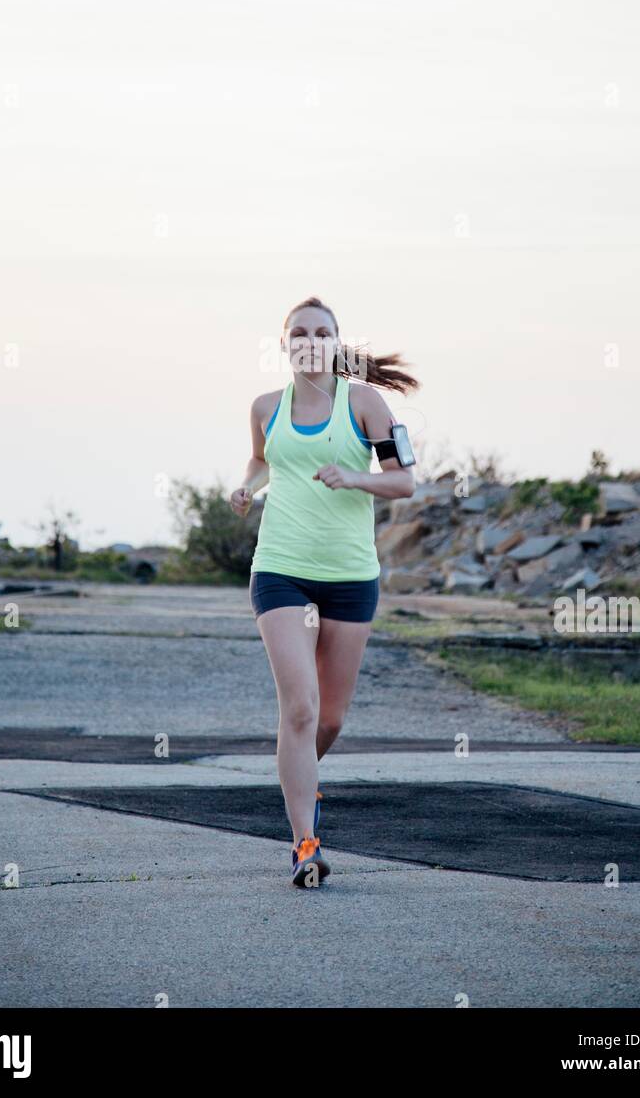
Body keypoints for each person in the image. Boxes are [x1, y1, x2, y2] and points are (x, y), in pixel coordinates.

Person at [230, 295, 419, 887]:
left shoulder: (365, 402)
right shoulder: (265, 407)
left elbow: (404, 482)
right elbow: (262, 462)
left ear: (337, 343)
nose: (310, 339)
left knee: (330, 719)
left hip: (350, 575)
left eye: (323, 331)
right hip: (281, 567)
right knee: (301, 707)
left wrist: (353, 476)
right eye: (300, 332)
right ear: (284, 344)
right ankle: (304, 843)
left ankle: (303, 779)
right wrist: (245, 488)